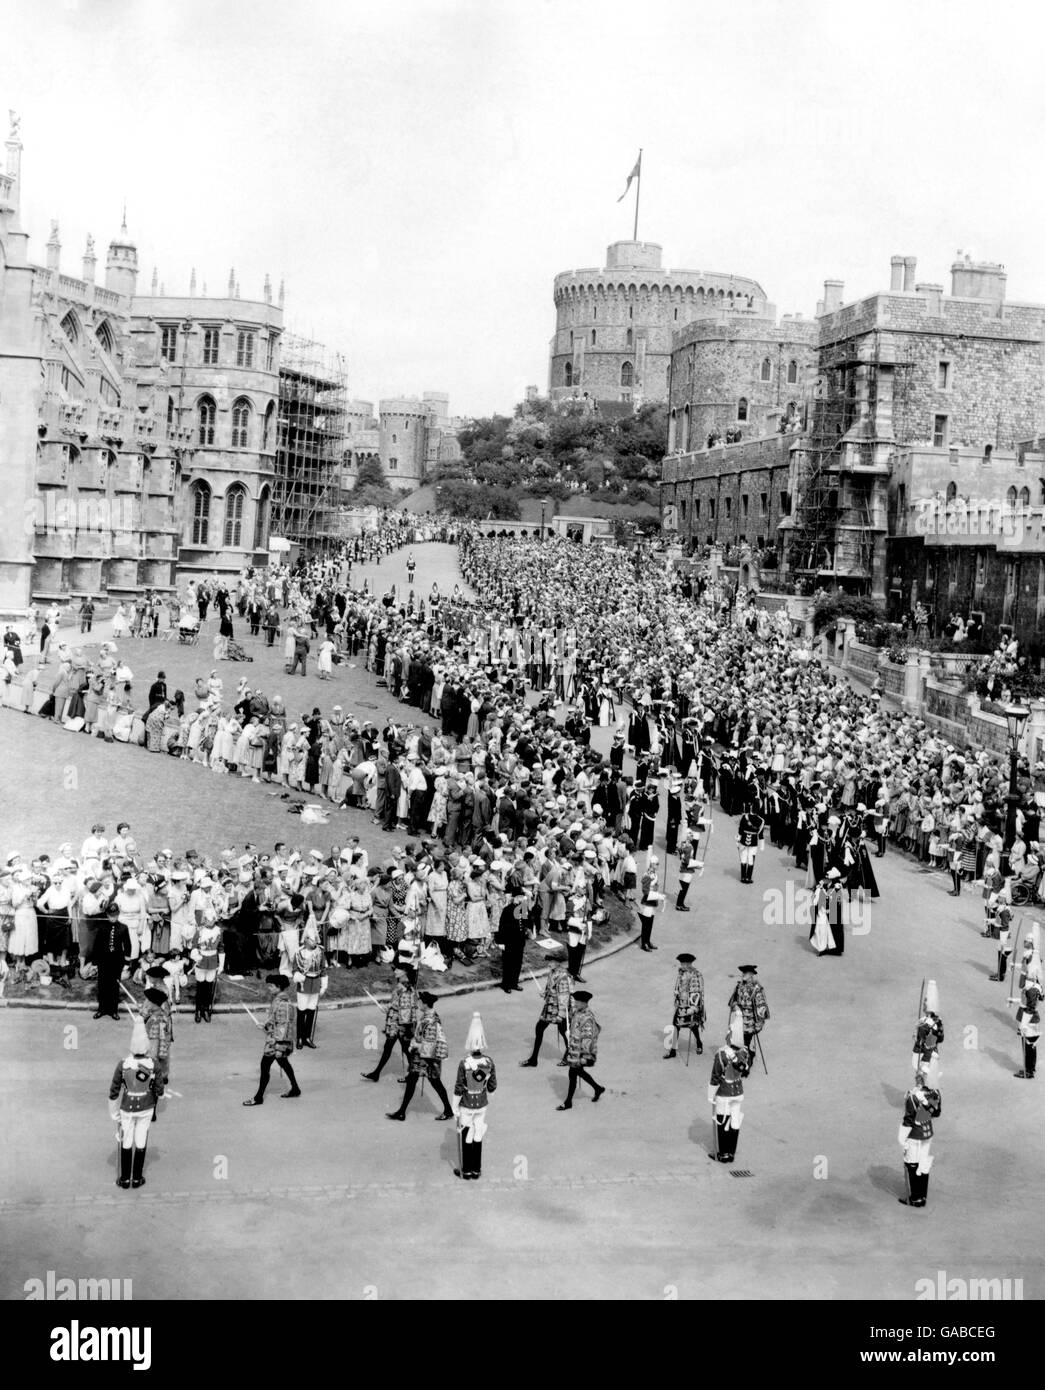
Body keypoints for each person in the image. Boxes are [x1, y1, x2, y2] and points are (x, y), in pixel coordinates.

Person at [108, 1017, 160, 1189]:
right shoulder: (154, 1065)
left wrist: (114, 1114)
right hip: (146, 1107)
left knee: (127, 1141)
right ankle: (137, 1178)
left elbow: (114, 1092)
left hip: (127, 1108)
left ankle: (124, 1179)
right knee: (141, 1140)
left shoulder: (123, 1064)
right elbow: (159, 1090)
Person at [386, 991, 454, 1121]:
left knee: (436, 1083)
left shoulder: (430, 1021)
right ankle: (402, 1112)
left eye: (420, 1001)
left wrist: (415, 1046)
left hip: (427, 1058)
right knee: (412, 1081)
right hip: (422, 1057)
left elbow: (430, 1044)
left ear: (425, 1004)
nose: (418, 1003)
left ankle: (448, 1110)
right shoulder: (429, 1016)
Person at [242, 975, 301, 1105]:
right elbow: (275, 1021)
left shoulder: (283, 1004)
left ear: (278, 987)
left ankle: (258, 1098)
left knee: (265, 1066)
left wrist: (277, 1044)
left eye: (271, 986)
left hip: (277, 1042)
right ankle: (295, 1089)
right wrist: (265, 1025)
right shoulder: (279, 1000)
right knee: (283, 1063)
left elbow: (284, 1026)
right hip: (277, 1040)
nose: (269, 988)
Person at [454, 1013, 497, 1180]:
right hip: (482, 1102)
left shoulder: (464, 1063)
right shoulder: (489, 1062)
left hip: (466, 1103)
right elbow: (493, 1086)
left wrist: (454, 1106)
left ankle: (467, 1169)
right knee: (478, 1134)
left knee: (466, 1135)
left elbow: (458, 1087)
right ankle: (477, 1169)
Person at [362, 968, 418, 1082]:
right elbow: (395, 1002)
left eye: (398, 969)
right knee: (389, 1048)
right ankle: (376, 1073)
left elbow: (406, 1008)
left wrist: (388, 1008)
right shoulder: (400, 986)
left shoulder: (407, 989)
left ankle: (414, 1074)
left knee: (406, 1050)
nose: (395, 971)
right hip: (395, 1023)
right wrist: (388, 1007)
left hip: (401, 1024)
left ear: (405, 973)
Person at [708, 1011, 750, 1163]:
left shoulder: (722, 1054)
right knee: (735, 1122)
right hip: (738, 1092)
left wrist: (711, 1093)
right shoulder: (745, 1053)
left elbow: (716, 1075)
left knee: (722, 1122)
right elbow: (746, 1072)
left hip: (724, 1092)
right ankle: (731, 1152)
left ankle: (722, 1153)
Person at [897, 1067, 941, 1208]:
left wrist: (902, 1137)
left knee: (911, 1165)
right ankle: (922, 1197)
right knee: (923, 1164)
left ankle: (913, 1198)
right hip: (927, 1134)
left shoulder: (912, 1096)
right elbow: (936, 1113)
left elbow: (908, 1119)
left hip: (915, 1134)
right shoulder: (934, 1094)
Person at [519, 950, 571, 1067]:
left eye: (551, 961)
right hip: (549, 1007)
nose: (548, 964)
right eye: (549, 961)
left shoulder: (563, 976)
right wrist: (545, 992)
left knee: (564, 1032)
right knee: (539, 1028)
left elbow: (564, 996)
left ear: (558, 962)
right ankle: (533, 1059)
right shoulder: (552, 972)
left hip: (558, 1009)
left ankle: (570, 1055)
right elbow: (550, 987)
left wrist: (561, 1015)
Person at [556, 989, 604, 1110]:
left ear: (584, 1003)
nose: (575, 1003)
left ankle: (568, 1102)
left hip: (580, 1052)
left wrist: (585, 1057)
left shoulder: (587, 1018)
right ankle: (598, 1088)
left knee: (573, 1074)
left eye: (577, 1001)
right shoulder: (577, 1012)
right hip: (574, 1049)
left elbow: (588, 1038)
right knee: (577, 1073)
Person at [92, 901, 131, 1021]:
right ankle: (101, 1009)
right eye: (110, 915)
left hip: (117, 961)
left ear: (118, 914)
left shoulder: (123, 928)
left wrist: (126, 963)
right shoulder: (101, 927)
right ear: (107, 915)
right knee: (102, 985)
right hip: (103, 961)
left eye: (114, 915)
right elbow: (97, 945)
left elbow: (128, 945)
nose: (112, 917)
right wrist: (95, 962)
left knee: (114, 986)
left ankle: (113, 1010)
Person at [292, 922, 327, 1049]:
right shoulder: (299, 953)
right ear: (306, 939)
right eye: (311, 939)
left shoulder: (320, 952)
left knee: (311, 1011)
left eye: (315, 939)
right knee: (301, 1012)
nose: (314, 941)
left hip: (315, 984)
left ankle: (307, 1037)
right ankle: (299, 1038)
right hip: (303, 984)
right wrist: (298, 976)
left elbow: (323, 969)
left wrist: (323, 986)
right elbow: (294, 970)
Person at [665, 952, 705, 1058]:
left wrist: (693, 1007)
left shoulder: (695, 974)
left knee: (693, 1026)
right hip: (681, 1004)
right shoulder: (681, 972)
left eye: (683, 963)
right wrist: (676, 994)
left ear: (688, 964)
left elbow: (696, 992)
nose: (681, 965)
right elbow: (678, 985)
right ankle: (673, 1050)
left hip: (689, 1006)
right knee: (676, 1026)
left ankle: (699, 1043)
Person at [727, 964, 769, 1059]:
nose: (743, 974)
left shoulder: (756, 989)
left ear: (751, 974)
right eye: (743, 973)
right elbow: (733, 1001)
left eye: (746, 973)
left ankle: (746, 1063)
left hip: (750, 1023)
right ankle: (744, 1057)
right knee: (736, 1041)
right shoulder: (739, 986)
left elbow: (761, 1008)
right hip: (739, 1021)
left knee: (745, 1043)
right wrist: (736, 1007)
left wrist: (758, 1024)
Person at [736, 807, 764, 884]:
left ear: (751, 808)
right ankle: (748, 878)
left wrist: (738, 839)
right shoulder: (761, 820)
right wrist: (762, 846)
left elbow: (740, 829)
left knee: (743, 857)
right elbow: (760, 835)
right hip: (754, 842)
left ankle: (742, 877)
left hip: (743, 840)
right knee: (751, 859)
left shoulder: (745, 817)